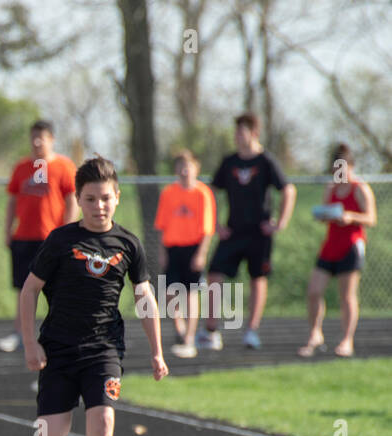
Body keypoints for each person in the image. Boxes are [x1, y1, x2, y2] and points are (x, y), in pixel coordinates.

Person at [18, 156, 167, 436]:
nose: (98, 206)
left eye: (105, 198)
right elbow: (30, 290)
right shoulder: (61, 240)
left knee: (103, 420)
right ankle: (56, 408)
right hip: (59, 348)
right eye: (90, 199)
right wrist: (30, 343)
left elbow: (144, 297)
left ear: (116, 197)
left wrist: (156, 351)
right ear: (78, 201)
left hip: (104, 349)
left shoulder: (129, 243)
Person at [201, 112, 296, 350]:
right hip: (233, 231)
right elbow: (209, 192)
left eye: (241, 131)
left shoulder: (265, 161)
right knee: (214, 274)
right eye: (235, 131)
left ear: (254, 133)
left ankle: (251, 331)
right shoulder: (229, 161)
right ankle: (210, 331)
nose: (236, 136)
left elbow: (288, 190)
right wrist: (216, 224)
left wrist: (280, 222)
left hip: (259, 233)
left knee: (257, 279)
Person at [0, 119, 78, 353]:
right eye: (33, 137)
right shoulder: (22, 167)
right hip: (24, 237)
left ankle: (61, 333)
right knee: (24, 288)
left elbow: (72, 199)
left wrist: (68, 231)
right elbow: (12, 201)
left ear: (51, 139)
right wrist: (7, 230)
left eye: (41, 137)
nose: (36, 142)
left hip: (51, 238)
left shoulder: (63, 166)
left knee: (57, 287)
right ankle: (21, 334)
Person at [300, 143, 376, 358]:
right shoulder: (331, 188)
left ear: (351, 167)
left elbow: (371, 218)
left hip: (350, 245)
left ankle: (346, 339)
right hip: (330, 245)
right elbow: (326, 212)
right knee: (314, 291)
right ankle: (315, 333)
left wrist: (350, 216)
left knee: (346, 296)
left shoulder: (360, 188)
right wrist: (325, 215)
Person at [154, 150, 216, 359]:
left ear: (196, 168)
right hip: (173, 248)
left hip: (193, 248)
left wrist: (201, 253)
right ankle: (179, 328)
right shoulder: (168, 193)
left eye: (188, 166)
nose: (184, 170)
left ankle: (190, 338)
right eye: (180, 166)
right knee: (171, 293)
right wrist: (162, 251)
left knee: (190, 294)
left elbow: (208, 228)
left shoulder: (202, 193)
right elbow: (161, 225)